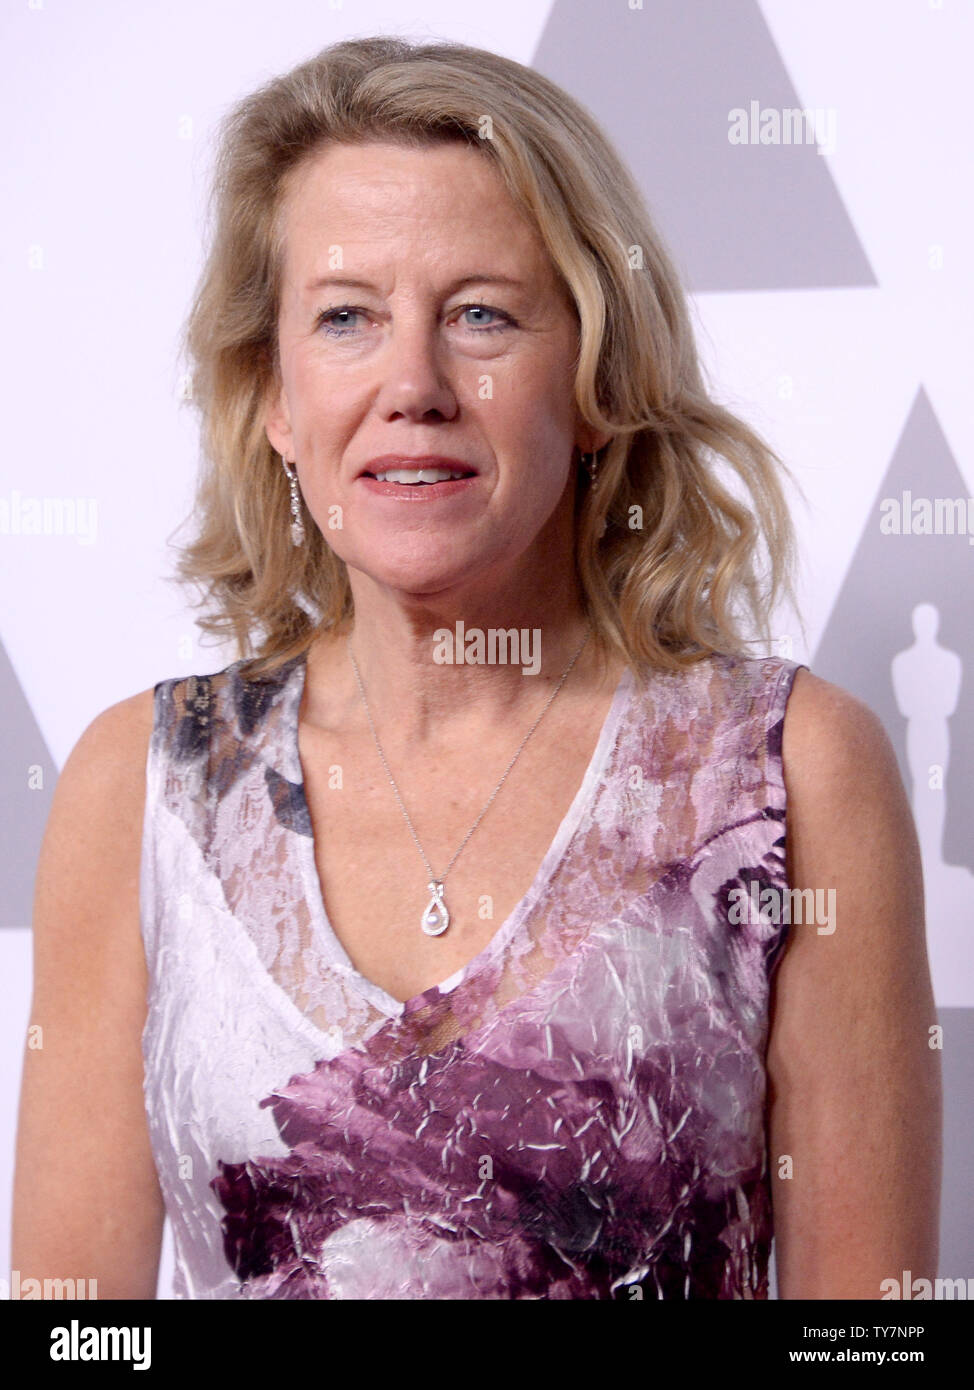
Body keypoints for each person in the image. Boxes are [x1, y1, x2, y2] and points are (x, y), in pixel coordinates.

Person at [11, 36, 940, 1300]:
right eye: (345, 317)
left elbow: (867, 1336)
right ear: (274, 394)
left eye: (481, 315)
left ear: (596, 377)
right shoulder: (143, 786)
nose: (412, 384)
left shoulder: (783, 771)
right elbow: (75, 1331)